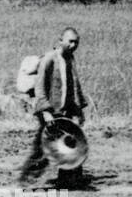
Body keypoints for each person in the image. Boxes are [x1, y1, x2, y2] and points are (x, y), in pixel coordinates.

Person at [21, 27, 89, 185]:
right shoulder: (49, 59)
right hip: (50, 111)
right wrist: (45, 112)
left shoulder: (70, 59)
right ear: (61, 41)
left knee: (72, 142)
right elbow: (40, 87)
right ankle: (27, 181)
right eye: (70, 41)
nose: (73, 45)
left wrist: (79, 110)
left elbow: (74, 86)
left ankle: (70, 180)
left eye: (76, 42)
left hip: (65, 111)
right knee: (43, 147)